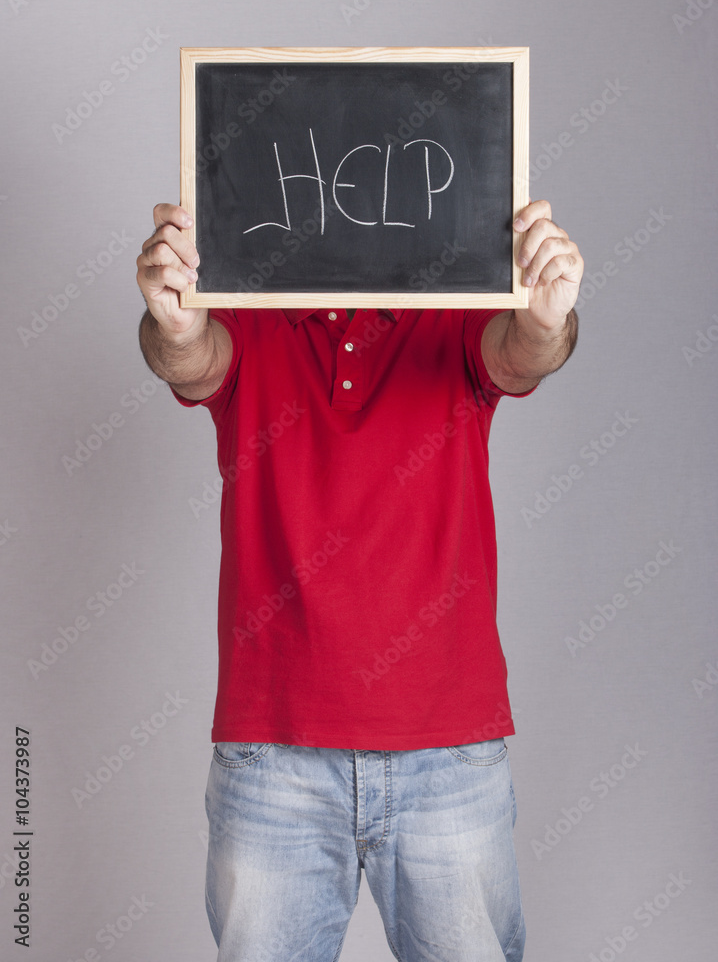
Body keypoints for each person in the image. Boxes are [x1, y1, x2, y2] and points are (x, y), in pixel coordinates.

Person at [136, 198, 583, 962]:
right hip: (273, 749)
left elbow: (519, 354)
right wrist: (173, 326)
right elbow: (193, 356)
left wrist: (546, 320)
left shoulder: (455, 301)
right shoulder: (249, 301)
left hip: (447, 749)